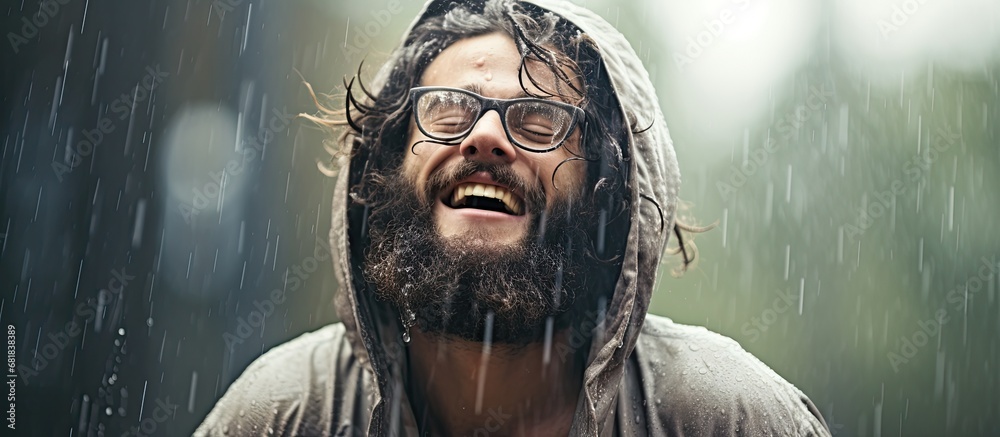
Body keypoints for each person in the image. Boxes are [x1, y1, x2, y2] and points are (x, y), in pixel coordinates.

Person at [196, 0, 832, 435]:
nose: (485, 136)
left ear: (606, 192)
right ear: (386, 163)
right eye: (447, 109)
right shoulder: (284, 413)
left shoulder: (725, 417)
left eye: (538, 121)